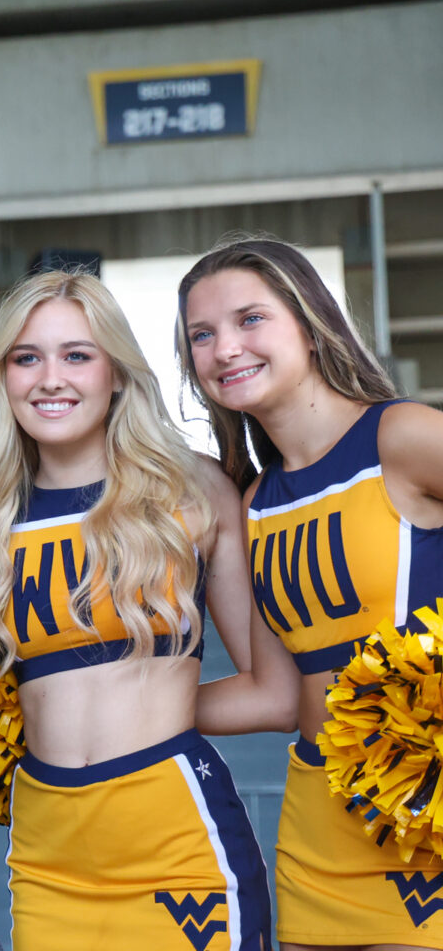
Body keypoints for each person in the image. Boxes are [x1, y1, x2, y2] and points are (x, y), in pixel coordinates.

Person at [0, 269, 275, 951]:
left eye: (77, 355)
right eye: (26, 358)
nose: (51, 379)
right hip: (47, 852)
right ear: (1, 377)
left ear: (117, 372)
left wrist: (156, 719)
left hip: (173, 836)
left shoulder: (191, 491)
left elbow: (270, 690)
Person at [179, 238, 443, 951]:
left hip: (425, 818)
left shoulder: (400, 437)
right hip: (317, 825)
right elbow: (275, 696)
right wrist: (103, 708)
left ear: (310, 323)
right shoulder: (256, 502)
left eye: (250, 319)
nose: (225, 348)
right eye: (201, 335)